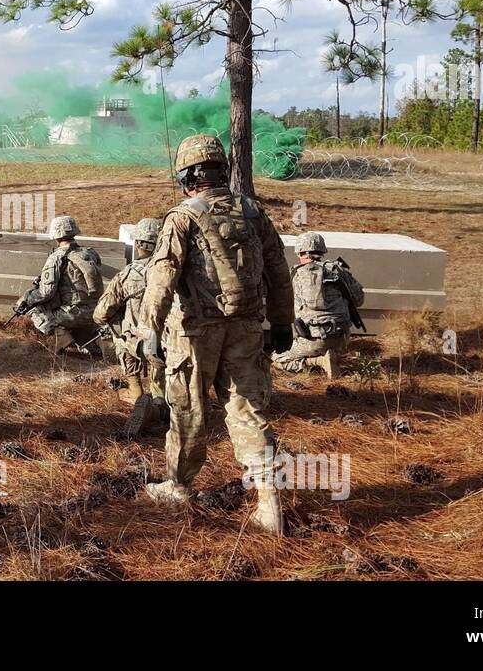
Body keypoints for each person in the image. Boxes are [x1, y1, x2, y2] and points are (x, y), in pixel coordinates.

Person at [138, 134, 294, 534]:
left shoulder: (182, 218)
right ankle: (268, 504)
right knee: (248, 411)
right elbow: (277, 271)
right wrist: (280, 322)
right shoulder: (254, 214)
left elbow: (161, 276)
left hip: (195, 333)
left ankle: (179, 485)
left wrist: (148, 330)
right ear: (222, 171)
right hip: (246, 328)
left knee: (189, 409)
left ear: (188, 177)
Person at [94, 217, 167, 438]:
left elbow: (101, 313)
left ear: (138, 244)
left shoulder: (126, 275)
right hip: (167, 344)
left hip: (136, 342)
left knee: (120, 339)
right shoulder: (174, 272)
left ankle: (137, 392)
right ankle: (160, 400)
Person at [273, 232, 365, 375]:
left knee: (278, 358)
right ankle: (333, 356)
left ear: (300, 252)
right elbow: (359, 299)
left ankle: (317, 362)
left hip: (311, 340)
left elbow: (282, 307)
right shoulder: (337, 270)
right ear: (322, 250)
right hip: (342, 339)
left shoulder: (293, 275)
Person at [15, 215, 103, 354]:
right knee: (79, 324)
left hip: (72, 314)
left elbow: (46, 292)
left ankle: (64, 339)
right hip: (94, 312)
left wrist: (27, 297)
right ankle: (89, 343)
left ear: (56, 235)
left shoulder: (56, 257)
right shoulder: (90, 253)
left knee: (33, 308)